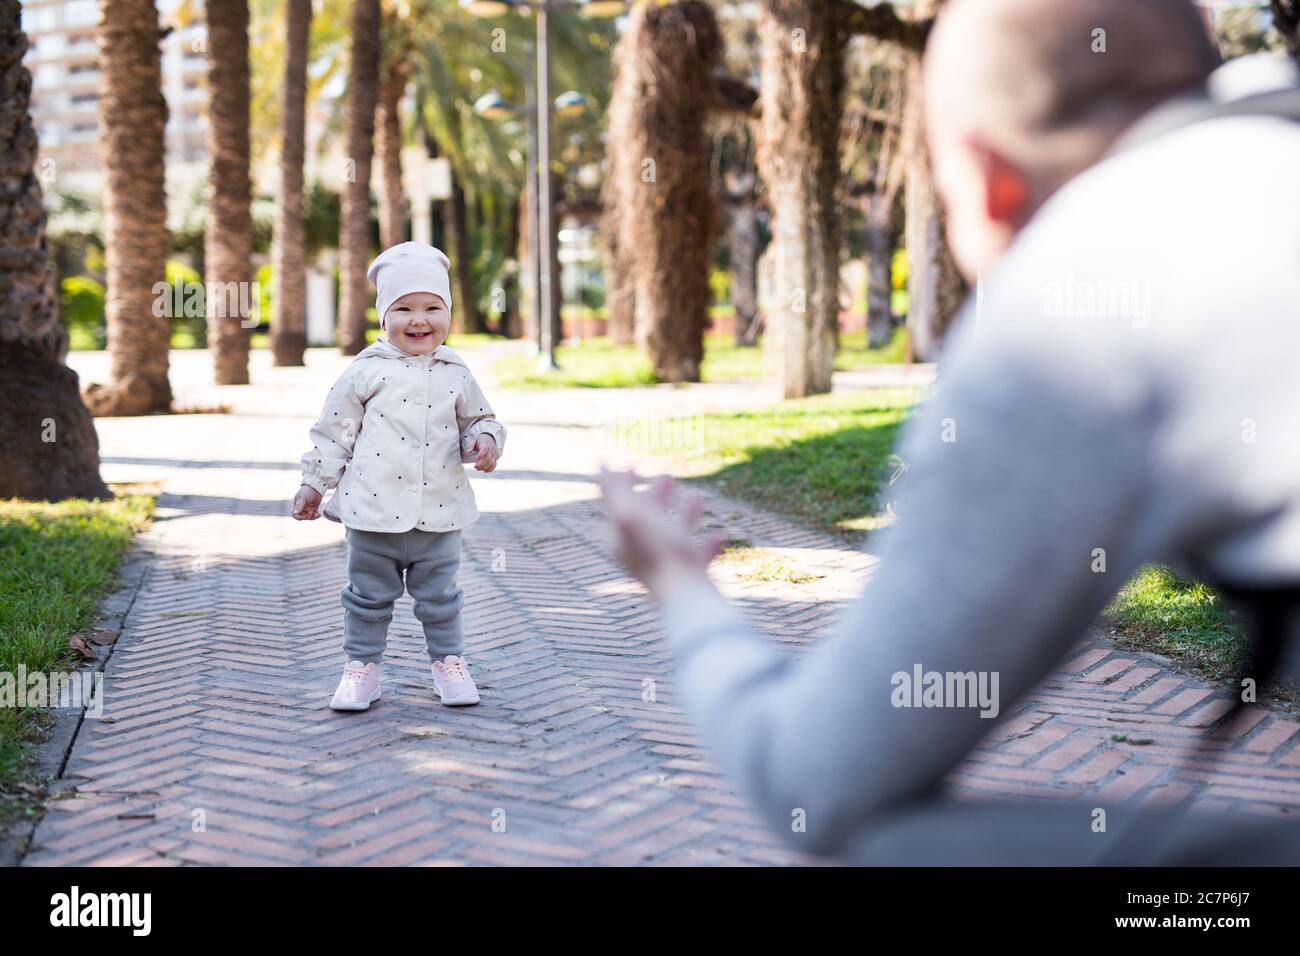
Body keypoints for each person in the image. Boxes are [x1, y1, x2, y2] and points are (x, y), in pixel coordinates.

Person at [599, 0, 1300, 864]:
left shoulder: (1075, 297)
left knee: (891, 847)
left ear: (984, 173)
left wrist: (680, 586)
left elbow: (810, 785)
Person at [292, 242, 505, 711]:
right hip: (372, 515)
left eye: (432, 308)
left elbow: (481, 421)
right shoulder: (364, 373)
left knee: (441, 598)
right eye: (403, 308)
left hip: (440, 513)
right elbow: (334, 435)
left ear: (449, 314)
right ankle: (361, 670)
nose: (418, 320)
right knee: (367, 597)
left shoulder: (456, 373)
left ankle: (448, 664)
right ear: (383, 316)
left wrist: (485, 442)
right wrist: (314, 483)